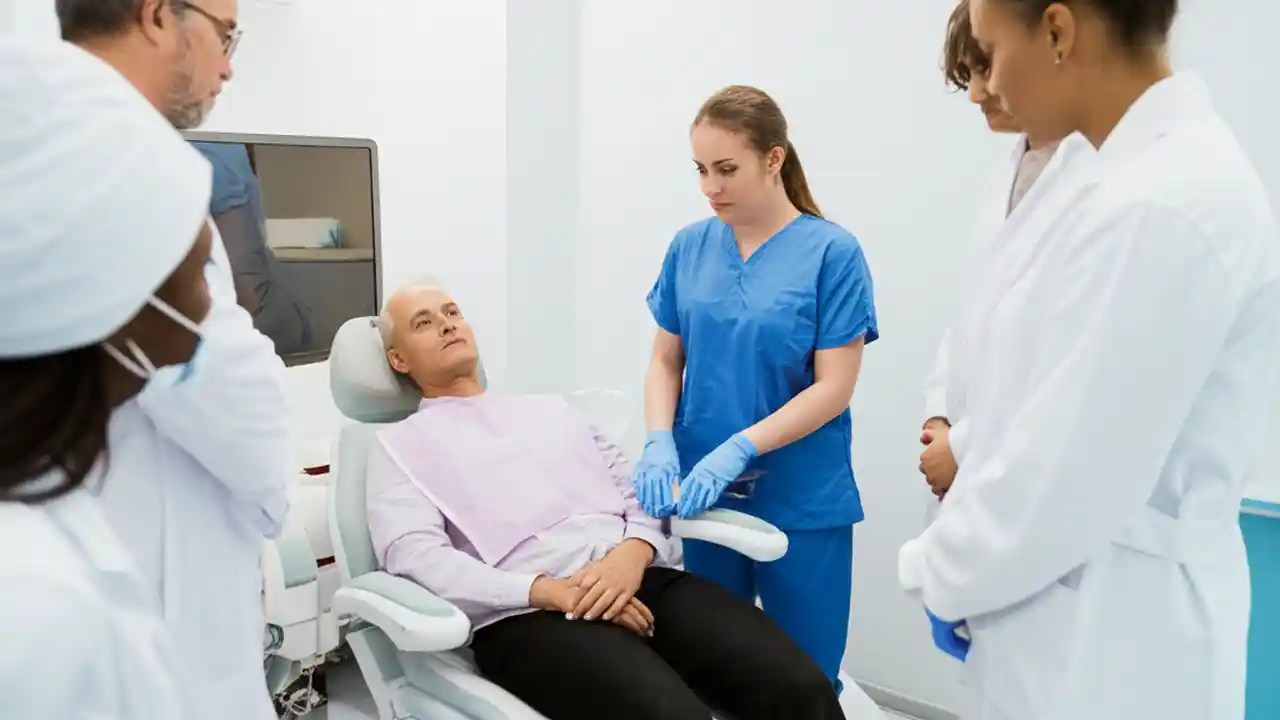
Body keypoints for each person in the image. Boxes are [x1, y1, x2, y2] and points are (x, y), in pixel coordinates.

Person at [899, 1, 1280, 717]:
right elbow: (1002, 352)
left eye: (990, 50)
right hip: (1054, 602)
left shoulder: (1161, 205)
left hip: (1116, 630)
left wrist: (935, 570)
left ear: (1056, 31)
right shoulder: (1128, 181)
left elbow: (1061, 468)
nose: (989, 86)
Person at [365, 283, 844, 720]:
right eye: (424, 322)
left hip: (638, 577)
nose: (448, 322)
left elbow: (637, 496)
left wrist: (631, 557)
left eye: (453, 311)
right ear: (399, 360)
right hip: (531, 617)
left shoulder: (552, 411)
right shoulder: (399, 449)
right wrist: (550, 591)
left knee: (802, 689)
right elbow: (417, 558)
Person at [57, 2, 295, 717]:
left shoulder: (51, 143)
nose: (228, 65)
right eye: (224, 36)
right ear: (159, 15)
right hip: (152, 598)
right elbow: (241, 406)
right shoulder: (122, 166)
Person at [632, 84, 878, 690]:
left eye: (726, 169)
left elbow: (834, 388)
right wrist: (660, 439)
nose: (709, 186)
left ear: (774, 159)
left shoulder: (832, 253)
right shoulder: (690, 246)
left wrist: (742, 445)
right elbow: (666, 360)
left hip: (800, 497)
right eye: (700, 170)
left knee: (807, 681)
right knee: (712, 671)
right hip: (702, 494)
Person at [0, 39, 214, 717]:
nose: (211, 303)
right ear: (114, 291)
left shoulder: (48, 519)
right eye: (199, 268)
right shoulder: (36, 605)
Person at [917, 0, 1072, 661]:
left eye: (986, 67)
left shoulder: (1091, 179)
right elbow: (969, 326)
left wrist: (967, 447)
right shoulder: (1005, 175)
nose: (979, 91)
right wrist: (940, 422)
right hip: (967, 480)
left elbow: (1062, 363)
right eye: (966, 74)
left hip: (1035, 509)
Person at [190, 141, 314, 355]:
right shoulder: (214, 148)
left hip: (253, 330)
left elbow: (248, 286)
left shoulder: (214, 148)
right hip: (255, 328)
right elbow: (248, 284)